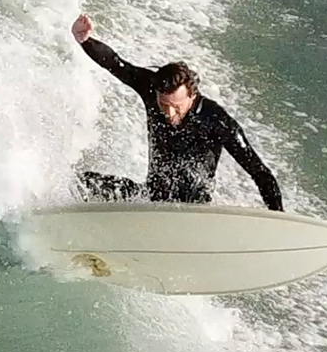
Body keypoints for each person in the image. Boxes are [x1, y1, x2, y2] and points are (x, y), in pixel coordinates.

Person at [71, 14, 283, 212]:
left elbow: (260, 173)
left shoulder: (217, 120)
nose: (169, 114)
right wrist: (85, 41)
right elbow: (117, 64)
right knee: (79, 183)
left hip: (193, 213)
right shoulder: (151, 88)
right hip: (151, 201)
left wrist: (279, 218)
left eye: (177, 107)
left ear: (192, 95)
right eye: (164, 105)